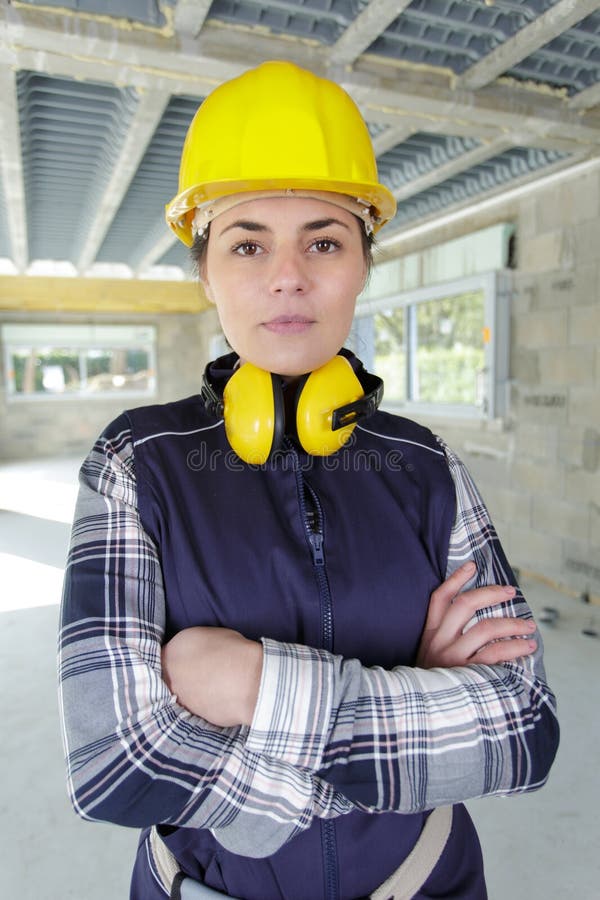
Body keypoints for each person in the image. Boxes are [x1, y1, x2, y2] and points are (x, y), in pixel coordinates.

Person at [58, 61, 559, 900]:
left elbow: (521, 731)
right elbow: (117, 764)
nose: (288, 275)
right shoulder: (136, 462)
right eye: (247, 243)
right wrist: (415, 689)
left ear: (364, 262)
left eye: (323, 240)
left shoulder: (425, 464)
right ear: (205, 270)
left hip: (427, 882)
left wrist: (247, 688)